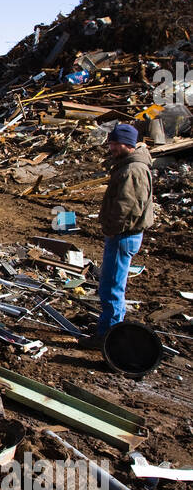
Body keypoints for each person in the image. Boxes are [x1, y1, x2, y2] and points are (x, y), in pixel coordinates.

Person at [93, 123, 154, 337]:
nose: (112, 148)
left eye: (115, 144)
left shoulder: (133, 170)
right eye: (111, 144)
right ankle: (109, 328)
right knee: (111, 285)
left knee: (111, 288)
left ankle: (107, 335)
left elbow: (128, 207)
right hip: (123, 234)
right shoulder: (128, 165)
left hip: (123, 235)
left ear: (127, 144)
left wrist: (111, 229)